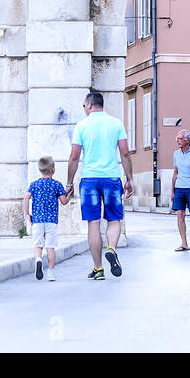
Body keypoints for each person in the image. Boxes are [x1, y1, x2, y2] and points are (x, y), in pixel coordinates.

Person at [66, 91, 133, 281]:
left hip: (89, 180)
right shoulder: (116, 123)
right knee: (114, 219)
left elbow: (74, 156)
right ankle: (111, 248)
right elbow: (125, 153)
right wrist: (129, 178)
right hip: (111, 178)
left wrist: (69, 183)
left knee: (93, 223)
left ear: (88, 105)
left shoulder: (81, 126)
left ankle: (98, 268)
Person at [23, 155, 69, 281]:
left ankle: (38, 260)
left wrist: (27, 213)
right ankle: (51, 273)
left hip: (37, 220)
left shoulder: (34, 185)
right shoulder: (57, 185)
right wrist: (70, 195)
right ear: (53, 170)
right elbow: (64, 201)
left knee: (38, 245)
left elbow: (26, 197)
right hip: (51, 221)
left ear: (40, 170)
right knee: (50, 247)